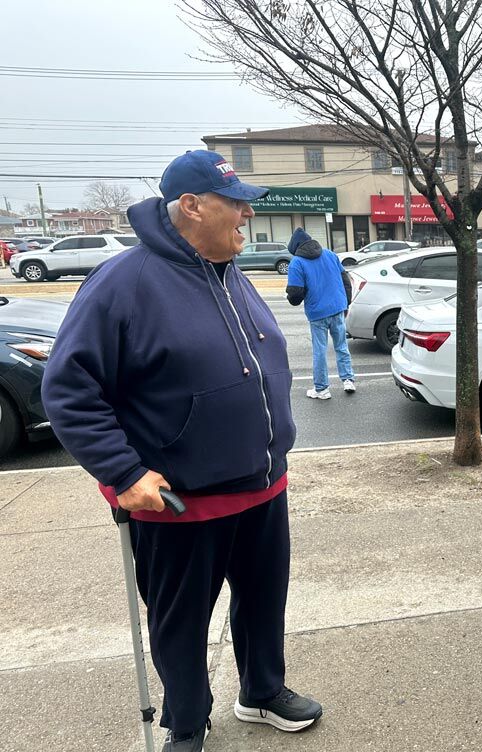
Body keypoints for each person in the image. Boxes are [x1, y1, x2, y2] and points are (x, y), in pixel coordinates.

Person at [41, 150, 322, 752]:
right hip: (180, 501)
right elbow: (68, 389)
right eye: (236, 203)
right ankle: (188, 720)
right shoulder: (123, 283)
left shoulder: (230, 271)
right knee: (181, 623)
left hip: (262, 487)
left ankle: (262, 691)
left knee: (263, 601)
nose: (248, 213)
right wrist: (123, 472)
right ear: (191, 206)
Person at [285, 227, 356, 398]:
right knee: (341, 346)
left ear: (295, 247)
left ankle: (322, 389)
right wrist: (345, 303)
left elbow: (295, 294)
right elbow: (346, 280)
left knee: (320, 351)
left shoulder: (296, 263)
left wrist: (291, 297)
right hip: (337, 308)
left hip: (317, 313)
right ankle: (348, 380)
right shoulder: (330, 255)